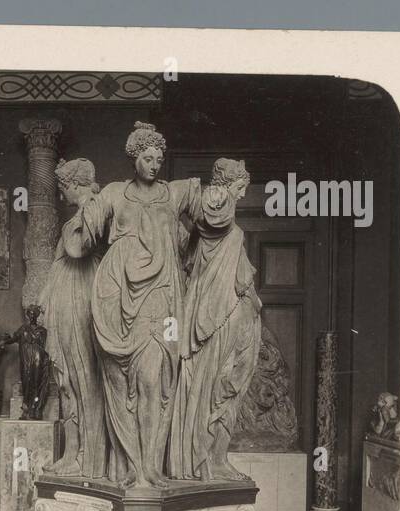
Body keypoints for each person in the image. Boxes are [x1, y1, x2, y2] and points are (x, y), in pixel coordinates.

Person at [72, 122, 204, 488]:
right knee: (117, 383)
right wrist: (84, 215)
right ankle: (128, 466)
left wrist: (190, 245)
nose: (154, 165)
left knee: (152, 379)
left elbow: (211, 217)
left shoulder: (174, 193)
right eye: (147, 158)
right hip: (116, 293)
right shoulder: (115, 194)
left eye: (159, 159)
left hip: (161, 296)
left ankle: (150, 467)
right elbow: (83, 238)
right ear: (135, 158)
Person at [169, 158, 261, 481]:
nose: (243, 192)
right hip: (216, 319)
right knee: (216, 389)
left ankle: (215, 457)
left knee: (224, 389)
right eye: (240, 186)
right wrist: (218, 191)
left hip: (225, 316)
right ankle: (208, 460)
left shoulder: (221, 227)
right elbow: (210, 209)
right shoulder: (218, 214)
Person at [43, 157, 109, 476]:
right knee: (67, 380)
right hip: (68, 300)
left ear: (73, 185)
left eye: (63, 189)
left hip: (82, 297)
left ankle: (88, 456)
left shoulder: (94, 210)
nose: (61, 197)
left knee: (85, 380)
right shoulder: (85, 212)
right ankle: (73, 453)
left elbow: (79, 249)